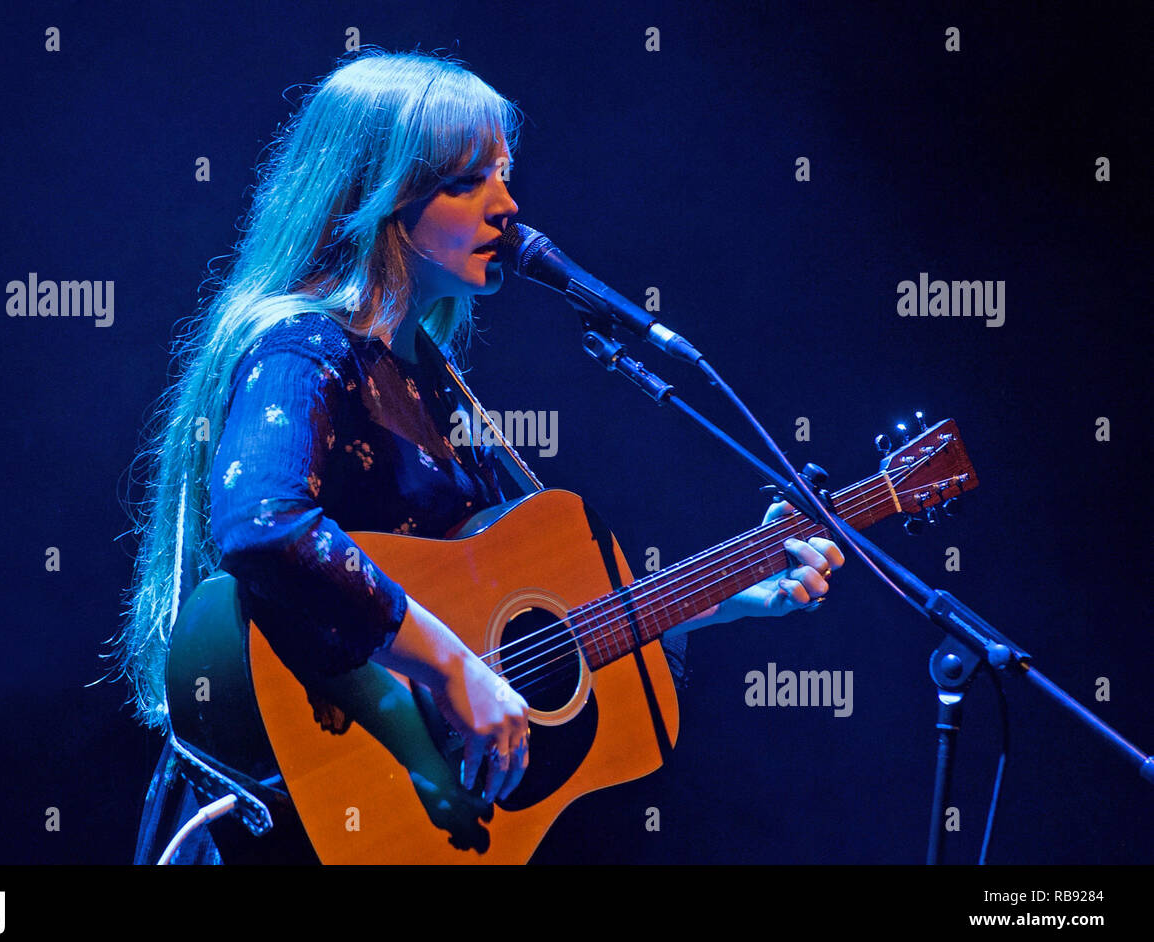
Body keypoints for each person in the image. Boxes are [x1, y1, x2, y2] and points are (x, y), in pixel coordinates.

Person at [113, 49, 844, 864]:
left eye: (503, 173)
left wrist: (742, 591)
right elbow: (262, 523)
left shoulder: (430, 376)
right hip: (290, 818)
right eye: (467, 181)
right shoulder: (304, 342)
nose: (509, 205)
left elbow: (545, 615)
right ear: (375, 198)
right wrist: (455, 673)